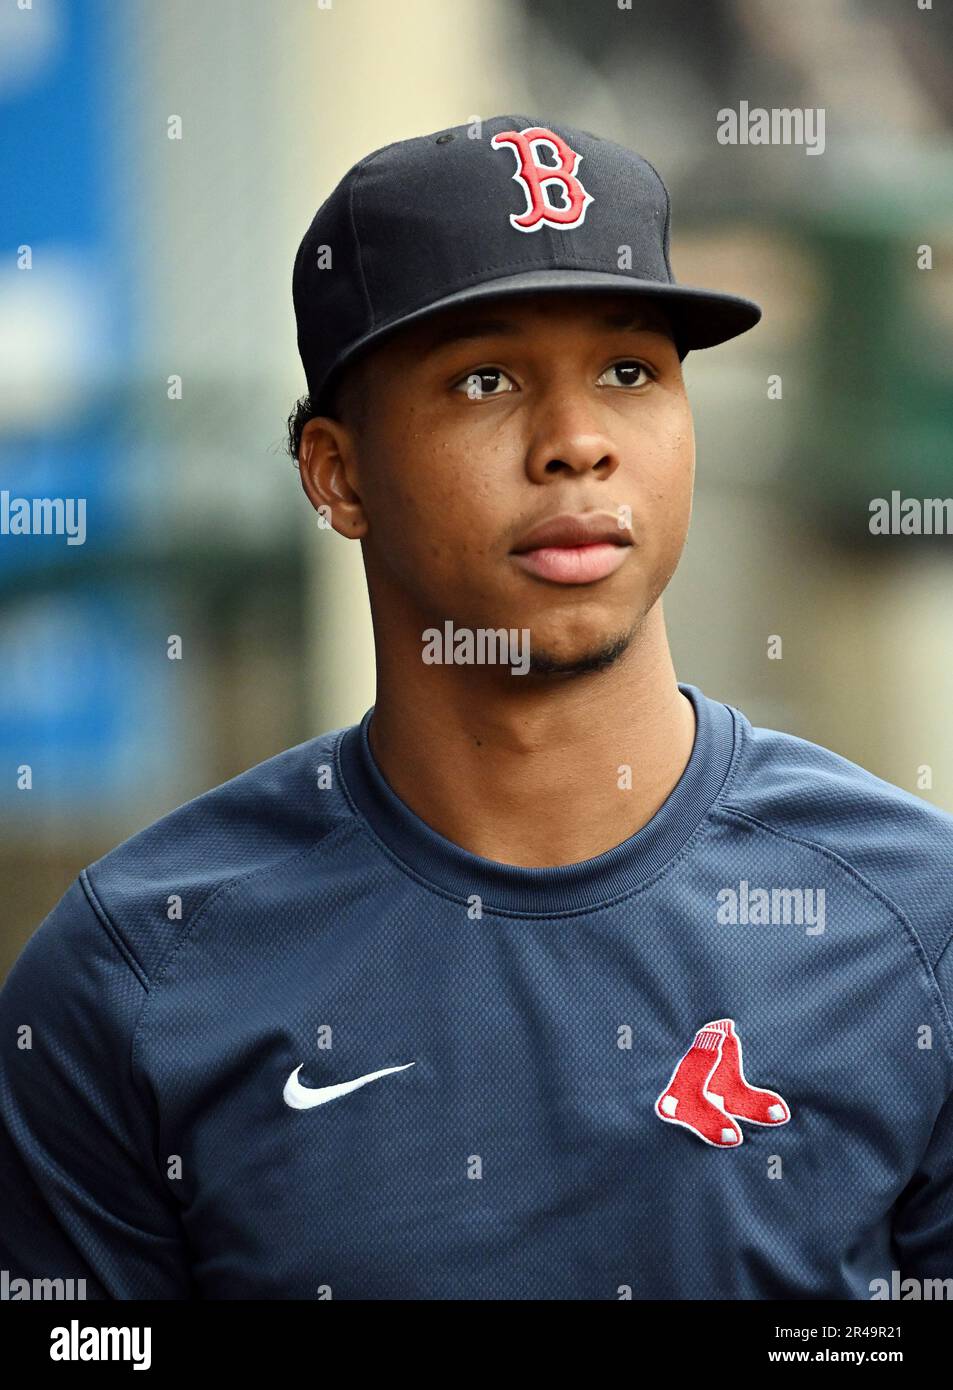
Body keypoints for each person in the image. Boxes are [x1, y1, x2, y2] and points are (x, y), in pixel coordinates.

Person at [1, 115, 951, 1301]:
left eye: (628, 371)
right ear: (336, 474)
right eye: (484, 379)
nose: (575, 444)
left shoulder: (913, 922)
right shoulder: (130, 974)